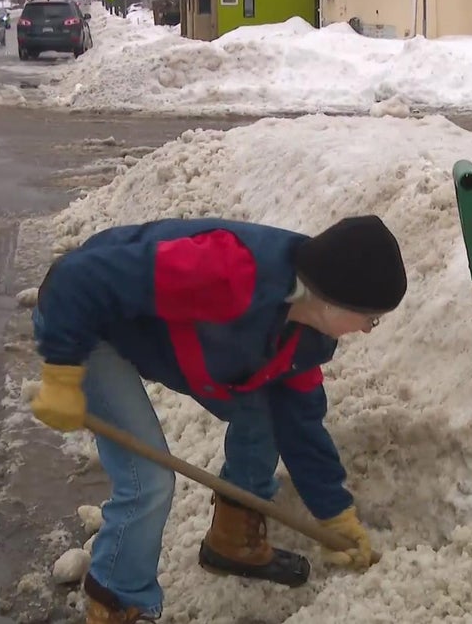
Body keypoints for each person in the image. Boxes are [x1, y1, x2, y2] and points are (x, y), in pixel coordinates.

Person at [28, 215, 408, 624]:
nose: (368, 330)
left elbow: (300, 425)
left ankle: (232, 541)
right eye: (370, 318)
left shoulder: (308, 338)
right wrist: (63, 371)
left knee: (267, 414)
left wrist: (335, 512)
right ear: (334, 300)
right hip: (85, 323)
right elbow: (76, 278)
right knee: (149, 479)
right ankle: (117, 602)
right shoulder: (229, 271)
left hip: (150, 336)